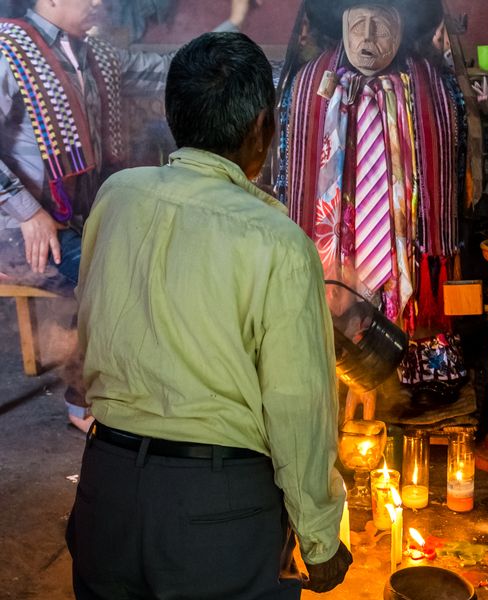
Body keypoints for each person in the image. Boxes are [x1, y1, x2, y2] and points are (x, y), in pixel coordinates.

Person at [65, 31, 352, 598]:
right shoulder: (279, 242)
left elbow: (94, 320)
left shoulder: (117, 197)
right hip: (217, 512)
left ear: (176, 116)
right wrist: (319, 535)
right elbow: (297, 406)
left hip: (107, 490)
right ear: (263, 130)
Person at [0, 0, 259, 431]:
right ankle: (85, 404)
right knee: (117, 277)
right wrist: (29, 213)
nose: (100, 1)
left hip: (81, 222)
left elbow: (174, 68)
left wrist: (233, 24)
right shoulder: (7, 50)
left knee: (157, 260)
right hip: (17, 231)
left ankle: (151, 392)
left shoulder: (97, 55)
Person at [277, 0, 469, 414]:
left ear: (401, 28)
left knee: (412, 270)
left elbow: (449, 168)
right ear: (340, 25)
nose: (366, 37)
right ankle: (331, 356)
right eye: (357, 23)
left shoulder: (428, 86)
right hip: (335, 224)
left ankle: (415, 366)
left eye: (380, 25)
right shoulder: (310, 83)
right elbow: (292, 171)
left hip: (403, 224)